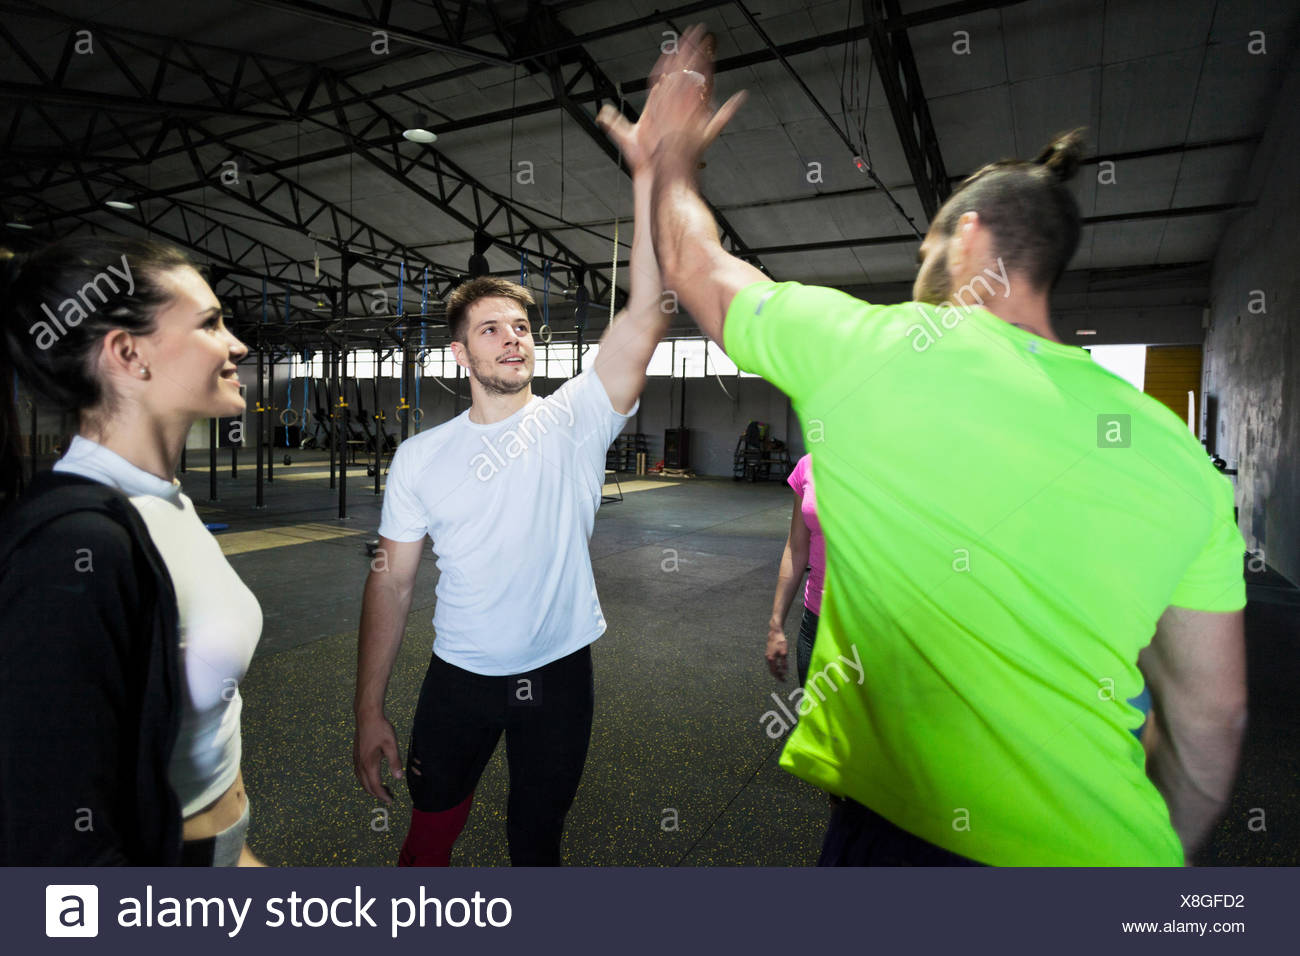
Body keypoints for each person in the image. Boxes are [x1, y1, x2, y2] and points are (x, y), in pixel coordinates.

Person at [606, 26, 1248, 866]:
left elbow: (697, 264)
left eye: (927, 248)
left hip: (910, 845)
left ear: (971, 238)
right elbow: (1211, 724)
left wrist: (673, 160)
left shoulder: (873, 350)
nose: (921, 264)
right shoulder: (1174, 453)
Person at [351, 133, 671, 865]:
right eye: (490, 330)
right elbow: (393, 583)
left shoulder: (576, 419)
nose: (512, 340)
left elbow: (648, 311)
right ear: (460, 354)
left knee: (537, 841)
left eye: (521, 328)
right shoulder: (421, 457)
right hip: (459, 676)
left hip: (559, 674)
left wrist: (649, 177)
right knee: (430, 835)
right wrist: (368, 709)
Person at [0, 238, 264, 866]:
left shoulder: (163, 500)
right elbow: (55, 847)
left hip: (222, 852)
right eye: (210, 324)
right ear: (128, 353)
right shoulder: (72, 545)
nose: (238, 346)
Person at [766, 454, 826, 686]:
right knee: (816, 718)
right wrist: (776, 625)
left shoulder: (893, 464)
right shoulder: (809, 465)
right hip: (817, 622)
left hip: (879, 626)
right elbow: (796, 549)